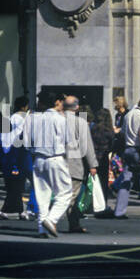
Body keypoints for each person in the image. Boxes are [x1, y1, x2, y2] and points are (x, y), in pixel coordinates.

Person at [26, 91, 73, 237]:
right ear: (57, 102)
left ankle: (42, 228)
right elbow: (68, 140)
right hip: (55, 157)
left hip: (38, 158)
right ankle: (51, 220)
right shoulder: (60, 119)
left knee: (42, 196)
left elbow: (27, 143)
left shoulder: (33, 118)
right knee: (65, 193)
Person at [62, 95, 95, 233]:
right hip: (74, 164)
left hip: (58, 162)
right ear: (76, 107)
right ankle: (53, 220)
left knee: (63, 195)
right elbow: (86, 146)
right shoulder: (80, 122)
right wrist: (92, 164)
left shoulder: (56, 120)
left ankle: (73, 224)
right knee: (72, 197)